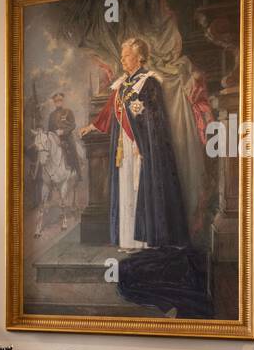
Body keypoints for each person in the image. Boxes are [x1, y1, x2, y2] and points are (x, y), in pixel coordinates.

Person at [79, 37, 189, 250]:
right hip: (123, 146)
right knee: (126, 187)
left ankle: (147, 239)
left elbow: (156, 119)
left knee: (142, 187)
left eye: (127, 55)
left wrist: (145, 142)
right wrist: (91, 127)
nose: (122, 59)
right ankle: (129, 240)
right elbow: (109, 113)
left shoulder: (149, 83)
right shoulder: (122, 85)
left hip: (143, 147)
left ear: (139, 57)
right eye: (122, 56)